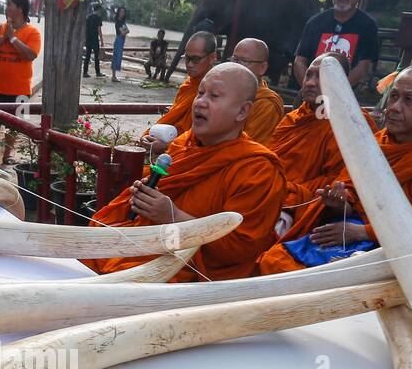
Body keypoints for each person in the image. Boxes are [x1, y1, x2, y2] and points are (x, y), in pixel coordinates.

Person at [257, 62, 412, 273]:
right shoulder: (373, 141)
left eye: (408, 100)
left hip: (401, 253)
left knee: (300, 278)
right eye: (393, 96)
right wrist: (340, 204)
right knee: (273, 261)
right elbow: (351, 195)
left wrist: (363, 232)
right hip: (347, 231)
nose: (393, 107)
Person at [85, 63, 286, 282]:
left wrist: (173, 216)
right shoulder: (184, 143)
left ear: (242, 111)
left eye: (214, 96)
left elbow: (238, 249)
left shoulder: (258, 169)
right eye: (200, 93)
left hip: (194, 272)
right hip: (152, 247)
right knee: (90, 246)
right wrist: (143, 198)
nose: (200, 102)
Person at [266, 52, 373, 204]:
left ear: (340, 83)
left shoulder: (353, 123)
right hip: (269, 188)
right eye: (308, 75)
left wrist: (287, 189)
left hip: (300, 201)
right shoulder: (295, 117)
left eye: (321, 77)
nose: (310, 83)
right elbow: (271, 159)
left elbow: (342, 179)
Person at [293, 0, 378, 88]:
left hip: (344, 96)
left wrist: (335, 92)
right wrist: (309, 87)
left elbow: (363, 66)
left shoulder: (367, 26)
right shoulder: (315, 23)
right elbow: (299, 61)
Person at [143, 30, 217, 158]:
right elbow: (177, 119)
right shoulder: (188, 85)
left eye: (196, 59)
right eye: (187, 58)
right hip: (169, 143)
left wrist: (168, 145)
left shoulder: (218, 90)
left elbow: (207, 139)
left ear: (212, 58)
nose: (189, 64)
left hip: (190, 155)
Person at [0, 0, 39, 162]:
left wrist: (12, 38)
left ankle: (7, 155)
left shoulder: (32, 32)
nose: (7, 7)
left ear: (20, 9)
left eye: (10, 4)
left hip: (21, 89)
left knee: (15, 127)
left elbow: (30, 55)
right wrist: (4, 36)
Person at [229, 37, 283, 144]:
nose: (236, 66)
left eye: (244, 61)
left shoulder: (266, 103)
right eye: (234, 60)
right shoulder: (223, 90)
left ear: (262, 68)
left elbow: (248, 146)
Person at [82, 1, 103, 77]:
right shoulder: (98, 18)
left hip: (88, 39)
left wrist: (84, 38)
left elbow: (85, 29)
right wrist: (102, 41)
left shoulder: (88, 17)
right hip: (95, 39)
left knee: (87, 56)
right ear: (99, 10)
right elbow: (99, 30)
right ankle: (98, 72)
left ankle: (85, 72)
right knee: (97, 57)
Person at [110, 5, 128, 82]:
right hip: (119, 40)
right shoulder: (118, 22)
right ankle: (113, 76)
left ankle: (114, 75)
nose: (122, 13)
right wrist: (125, 31)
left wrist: (125, 31)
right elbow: (123, 32)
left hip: (122, 40)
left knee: (118, 57)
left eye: (123, 12)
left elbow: (126, 31)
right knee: (116, 57)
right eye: (121, 12)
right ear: (118, 12)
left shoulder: (122, 22)